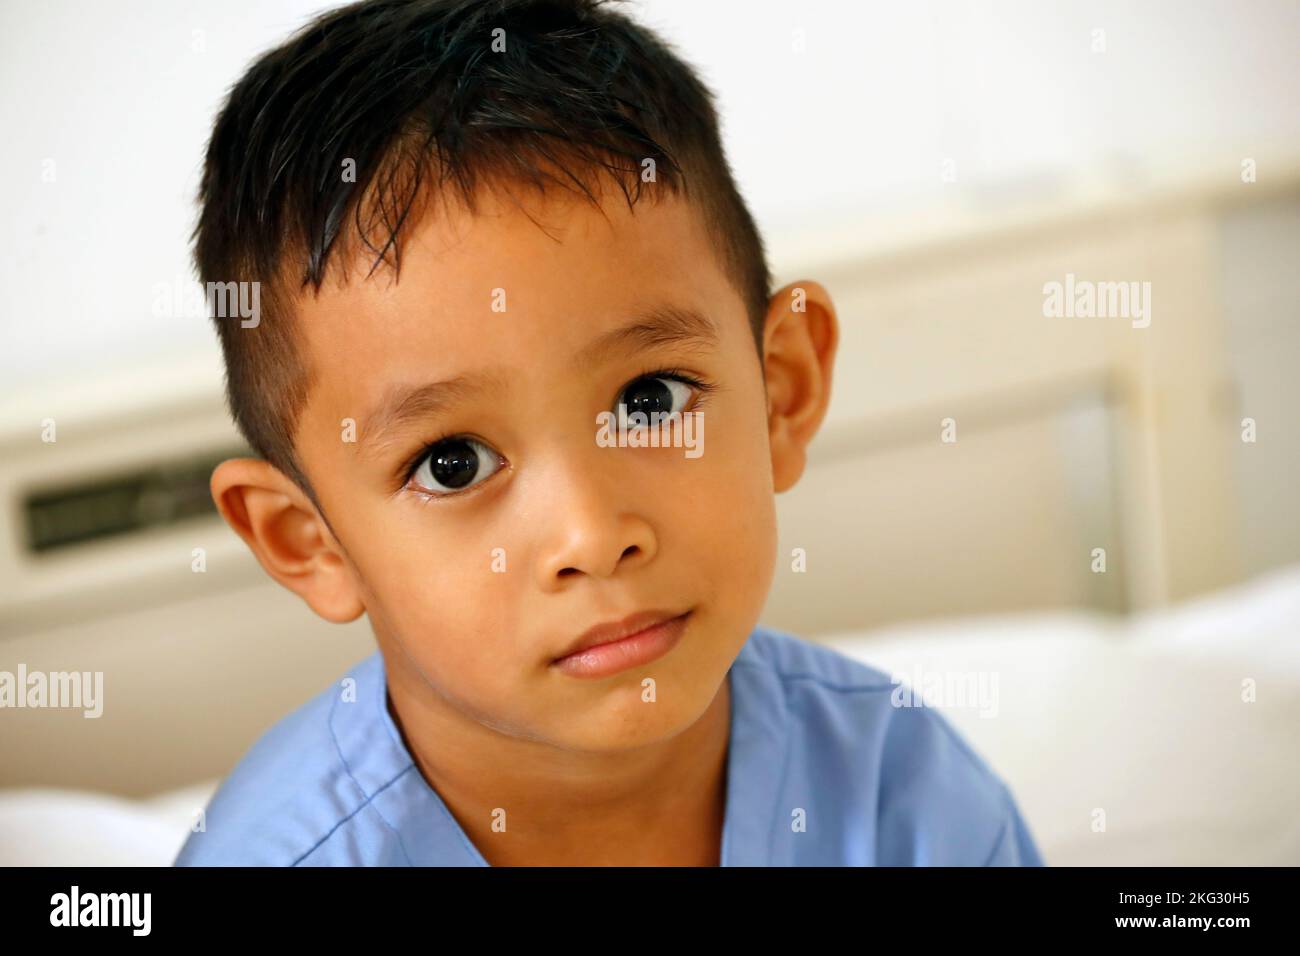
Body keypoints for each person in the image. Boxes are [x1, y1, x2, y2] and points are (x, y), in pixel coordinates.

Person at [175, 0, 1044, 866]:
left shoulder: (900, 792)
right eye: (452, 463)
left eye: (651, 398)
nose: (592, 536)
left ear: (782, 389)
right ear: (311, 542)